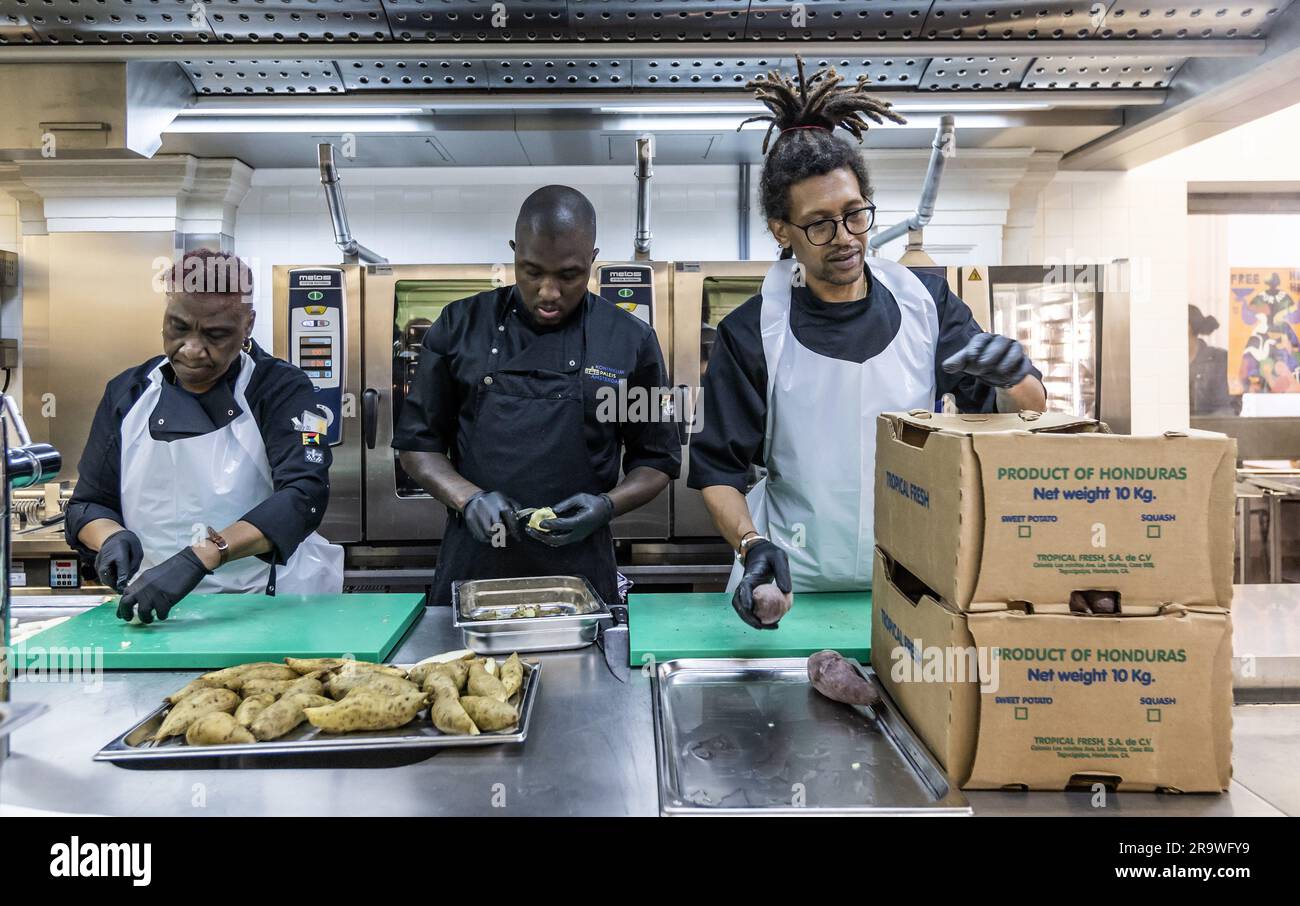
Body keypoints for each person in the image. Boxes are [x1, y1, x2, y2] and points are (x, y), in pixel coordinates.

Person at [689, 59, 1046, 629]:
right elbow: (716, 470)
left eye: (855, 215)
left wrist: (1014, 375)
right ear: (782, 231)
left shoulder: (926, 305)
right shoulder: (753, 330)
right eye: (820, 224)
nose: (846, 239)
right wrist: (751, 545)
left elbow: (1023, 410)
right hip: (788, 582)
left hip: (911, 579)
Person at [392, 186, 680, 606]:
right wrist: (467, 498)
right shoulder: (459, 325)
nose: (548, 292)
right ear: (514, 252)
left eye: (569, 275)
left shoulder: (630, 339)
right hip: (476, 565)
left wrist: (606, 506)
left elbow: (656, 461)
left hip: (581, 571)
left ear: (592, 260)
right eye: (531, 271)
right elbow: (417, 446)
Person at [65, 249, 343, 623]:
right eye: (178, 328)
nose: (193, 350)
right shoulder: (127, 393)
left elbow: (303, 495)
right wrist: (110, 538)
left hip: (258, 607)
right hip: (149, 608)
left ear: (248, 326)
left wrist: (203, 555)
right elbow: (89, 505)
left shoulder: (282, 388)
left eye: (216, 334)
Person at [1188, 305, 1237, 416]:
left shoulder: (1219, 360)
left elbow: (1227, 409)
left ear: (1188, 327)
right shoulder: (1167, 362)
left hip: (1211, 430)